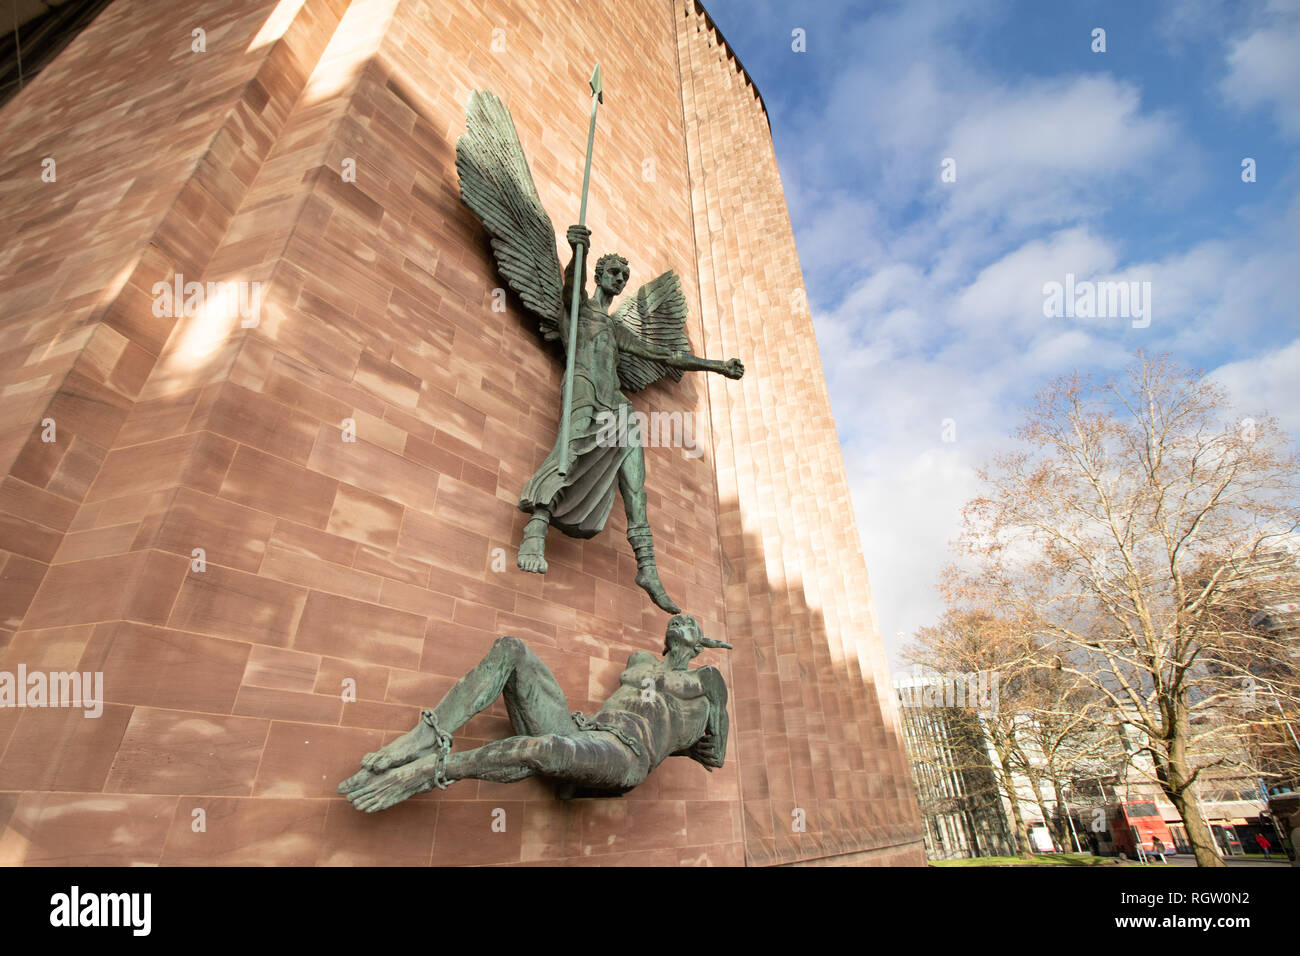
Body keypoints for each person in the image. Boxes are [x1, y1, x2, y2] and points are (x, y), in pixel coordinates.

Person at [515, 225, 744, 614]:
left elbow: (666, 356)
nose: (619, 280)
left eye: (624, 276)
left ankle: (647, 567)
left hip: (616, 403)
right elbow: (570, 291)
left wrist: (716, 365)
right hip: (583, 387)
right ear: (600, 272)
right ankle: (536, 528)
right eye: (614, 272)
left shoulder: (616, 328)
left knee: (636, 481)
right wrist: (578, 253)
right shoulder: (578, 310)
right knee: (567, 451)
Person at [338, 615, 731, 812]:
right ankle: (426, 736)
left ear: (701, 644)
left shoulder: (707, 679)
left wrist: (684, 748)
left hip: (626, 756)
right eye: (678, 618)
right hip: (584, 731)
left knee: (538, 749)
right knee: (512, 648)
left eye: (692, 623)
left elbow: (716, 749)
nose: (682, 619)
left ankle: (428, 772)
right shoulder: (640, 659)